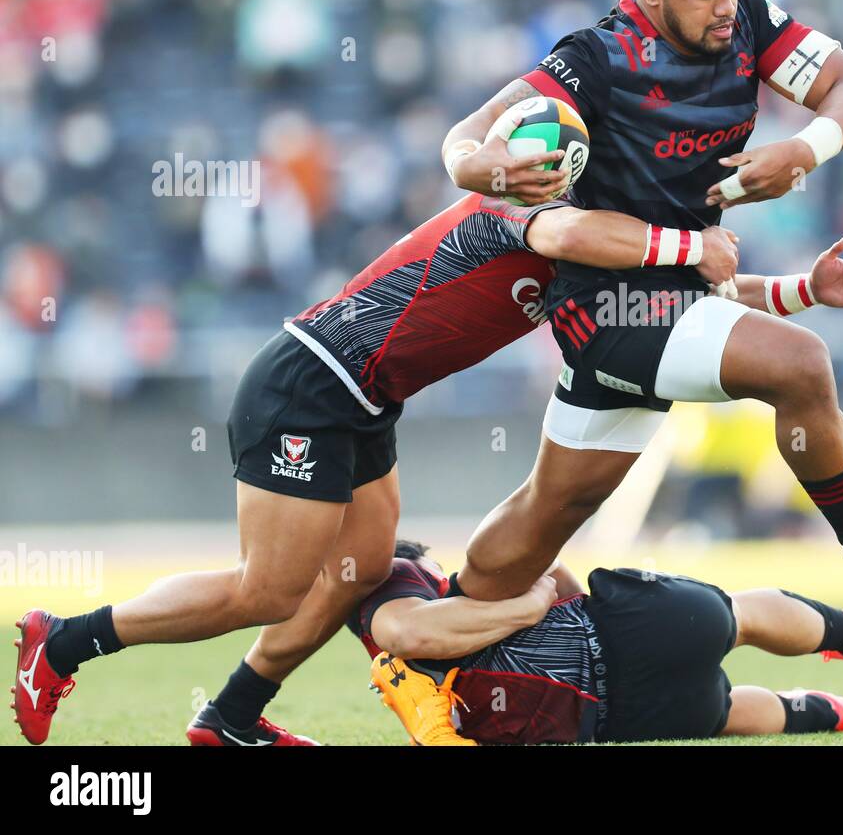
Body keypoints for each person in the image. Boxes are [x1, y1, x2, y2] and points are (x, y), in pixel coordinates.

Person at [12, 186, 740, 747]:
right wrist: (684, 242)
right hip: (311, 385)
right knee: (267, 589)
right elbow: (575, 230)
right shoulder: (527, 208)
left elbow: (668, 310)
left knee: (355, 572)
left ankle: (233, 715)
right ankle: (64, 640)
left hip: (362, 400)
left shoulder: (587, 248)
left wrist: (797, 289)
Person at [441, 0, 843, 616]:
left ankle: (433, 625)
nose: (724, 6)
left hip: (685, 303)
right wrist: (485, 169)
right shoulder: (595, 59)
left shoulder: (750, 23)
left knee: (542, 519)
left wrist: (803, 149)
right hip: (608, 311)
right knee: (801, 365)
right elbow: (466, 138)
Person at [355, 538, 843, 745]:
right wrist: (533, 606)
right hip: (619, 655)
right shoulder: (424, 608)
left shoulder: (416, 640)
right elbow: (548, 567)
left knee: (725, 699)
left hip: (610, 709)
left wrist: (525, 609)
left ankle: (837, 694)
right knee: (737, 626)